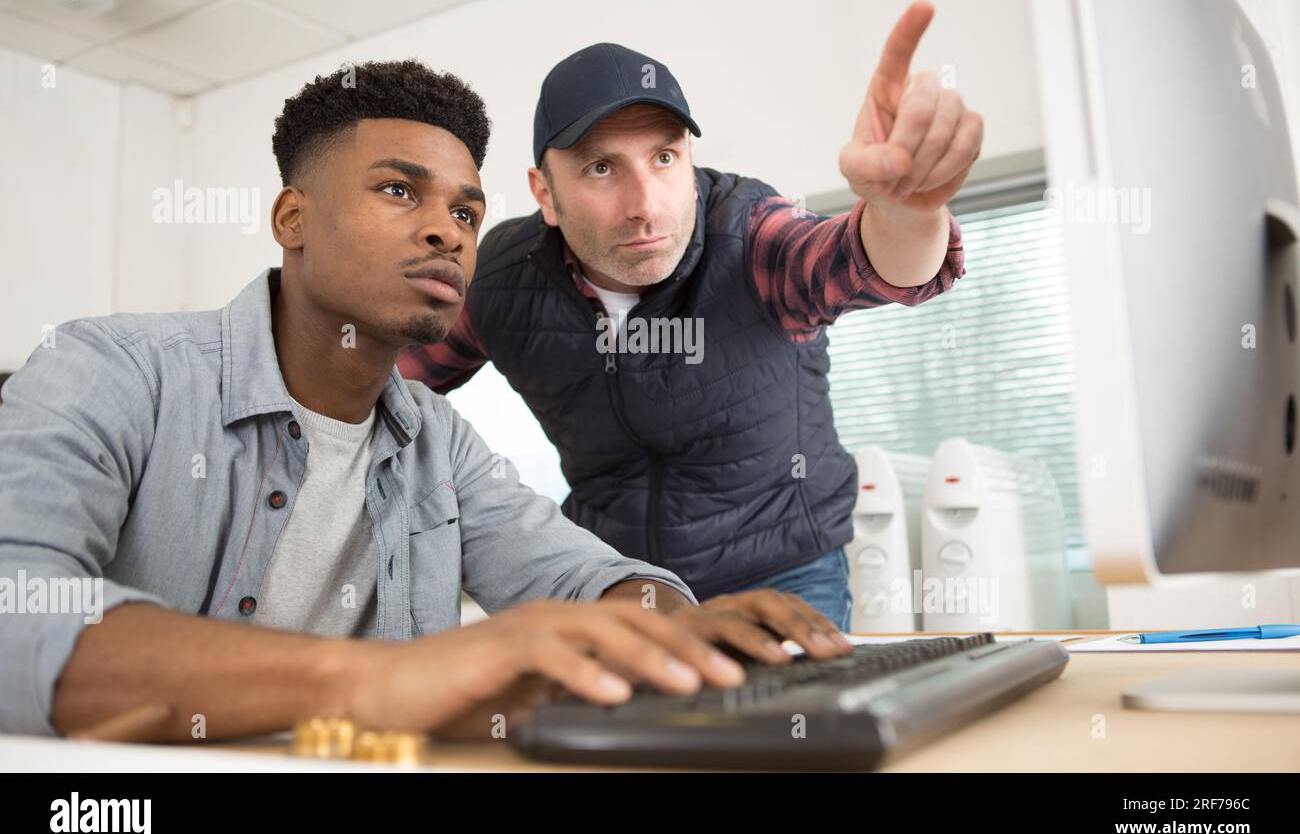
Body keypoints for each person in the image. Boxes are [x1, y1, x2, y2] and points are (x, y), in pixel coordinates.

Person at [0, 60, 852, 743]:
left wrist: (669, 627)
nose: (448, 230)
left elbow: (579, 574)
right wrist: (373, 683)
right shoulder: (108, 370)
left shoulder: (438, 444)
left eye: (467, 212)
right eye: (400, 191)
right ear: (292, 217)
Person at [400, 1, 979, 629]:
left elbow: (859, 260)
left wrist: (910, 211)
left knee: (785, 727)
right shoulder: (500, 280)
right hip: (620, 585)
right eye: (601, 168)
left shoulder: (751, 234)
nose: (645, 206)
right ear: (545, 192)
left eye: (665, 158)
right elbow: (389, 383)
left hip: (780, 577)